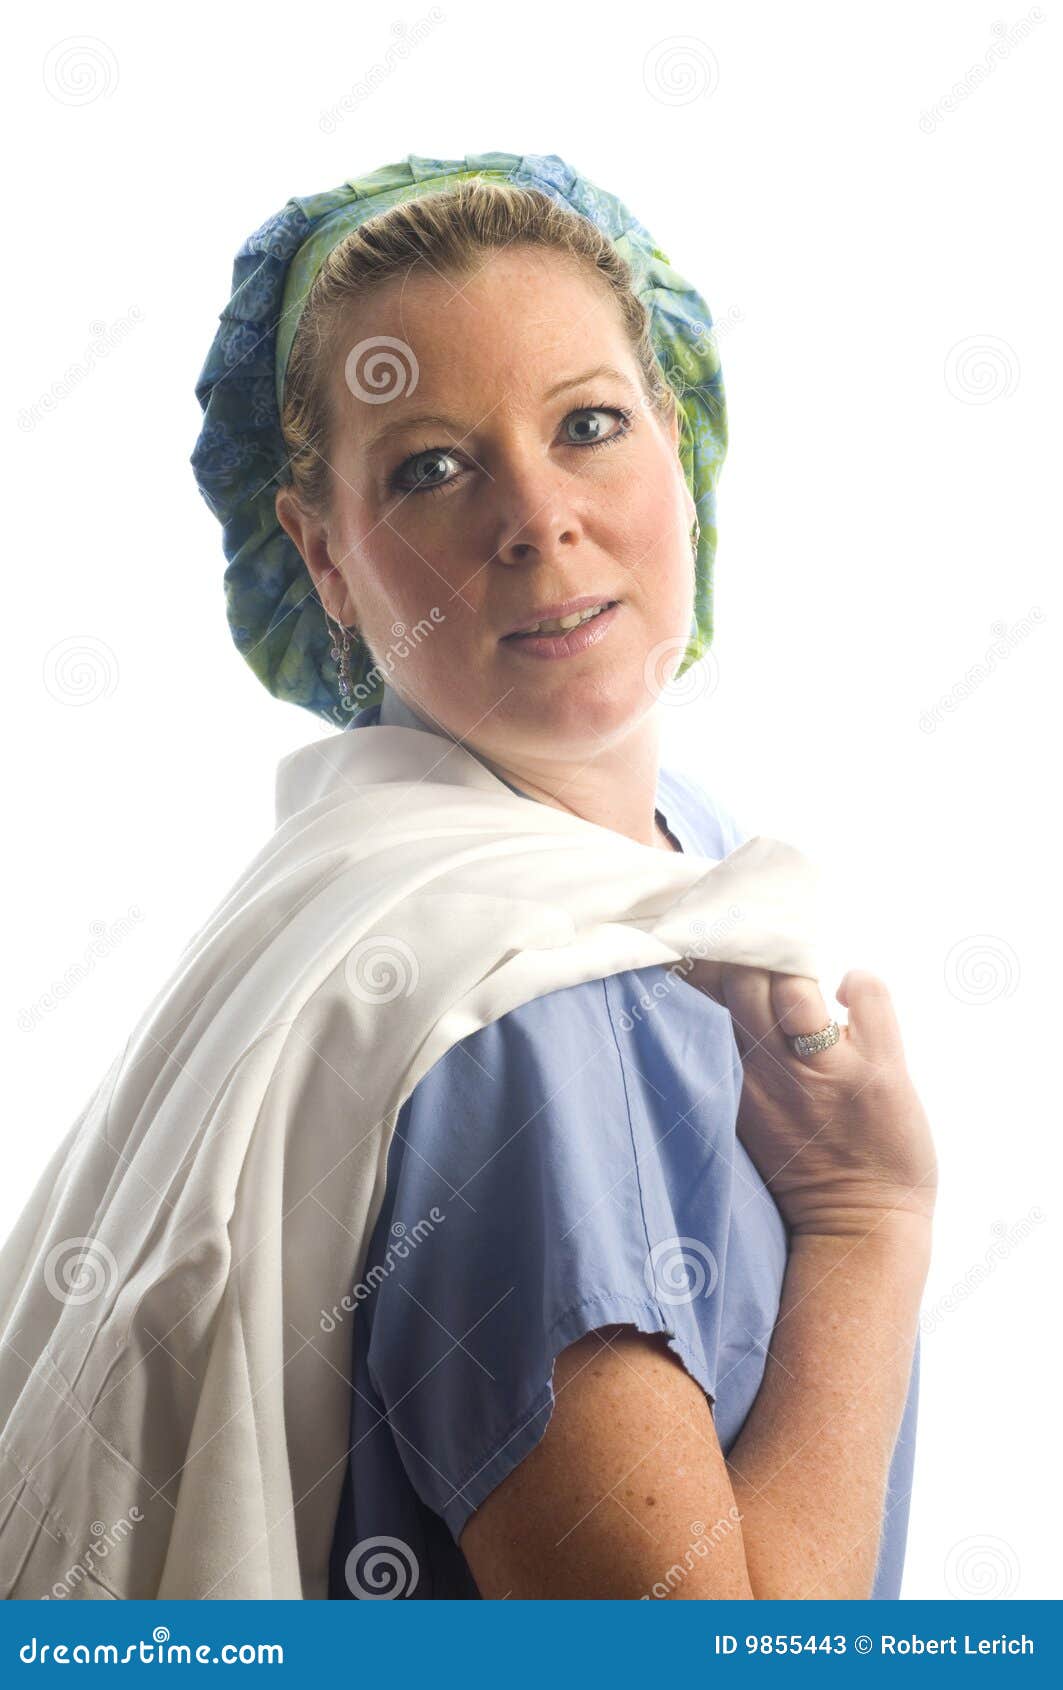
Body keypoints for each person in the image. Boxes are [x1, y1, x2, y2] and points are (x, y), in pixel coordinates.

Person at [239, 154, 936, 1600]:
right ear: (319, 554)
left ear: (678, 444)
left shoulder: (672, 848)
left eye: (590, 425)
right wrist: (871, 1227)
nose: (539, 518)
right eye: (432, 464)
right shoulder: (522, 1011)